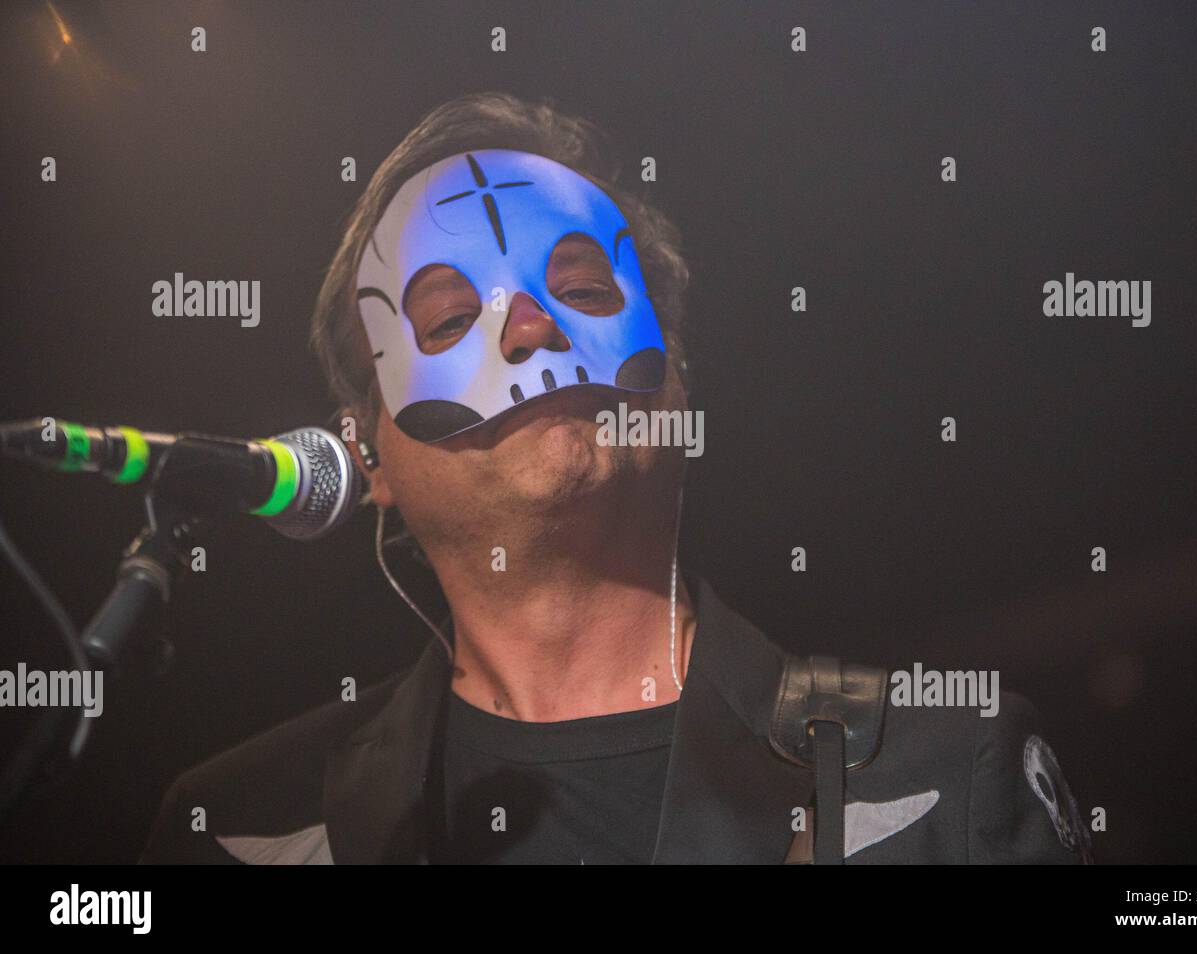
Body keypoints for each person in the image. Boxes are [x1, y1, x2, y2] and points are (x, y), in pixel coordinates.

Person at [140, 92, 1090, 865]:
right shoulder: (236, 829)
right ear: (369, 454)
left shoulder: (945, 776)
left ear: (677, 374)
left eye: (586, 290)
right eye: (445, 319)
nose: (531, 330)